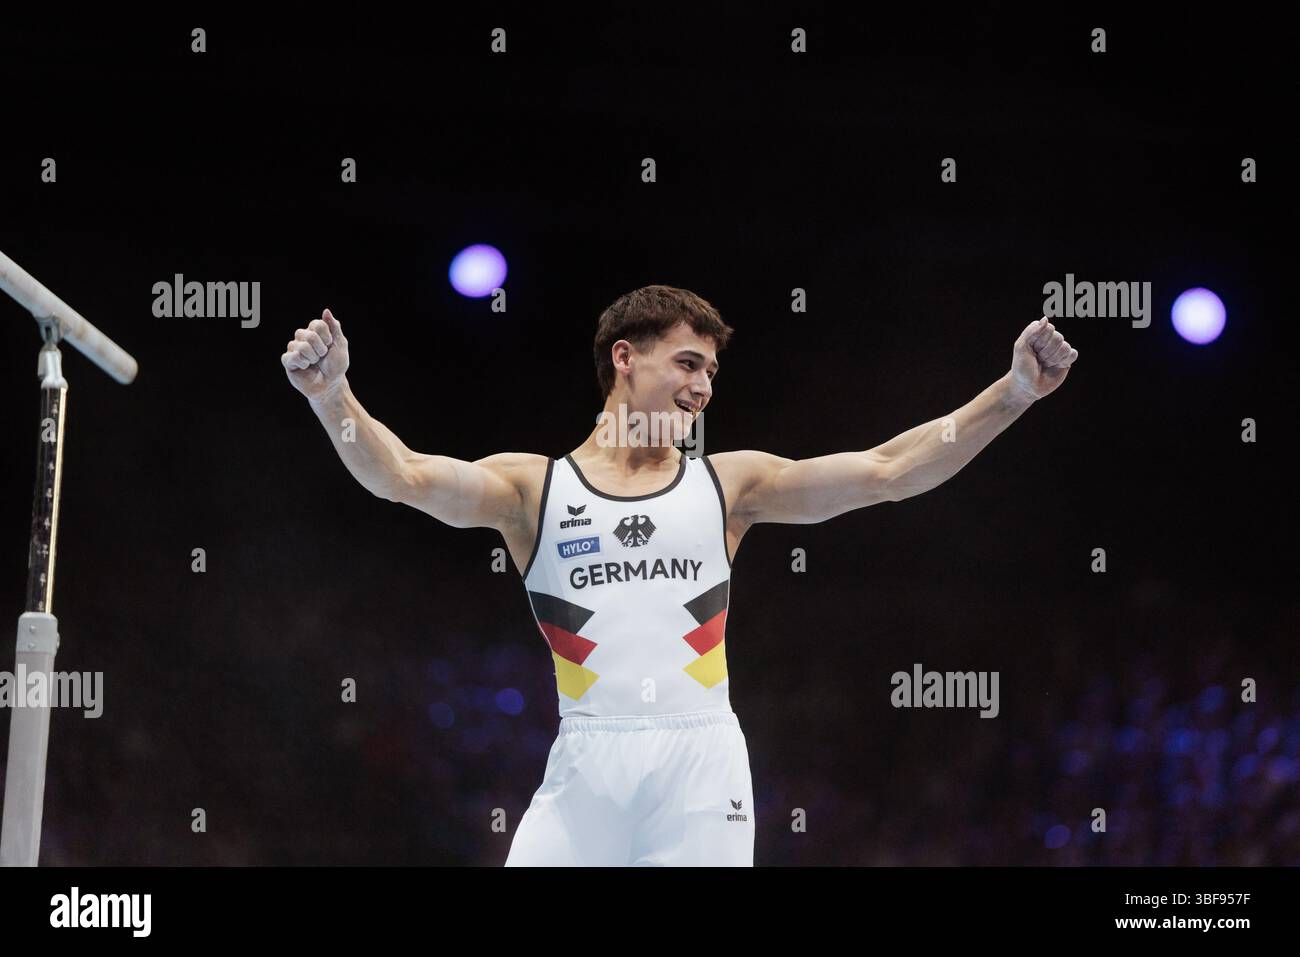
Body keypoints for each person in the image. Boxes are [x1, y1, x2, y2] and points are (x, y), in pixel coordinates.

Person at [281, 284, 1078, 866]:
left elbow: (887, 470)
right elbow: (405, 477)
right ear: (624, 359)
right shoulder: (534, 489)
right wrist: (331, 396)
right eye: (687, 362)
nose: (702, 386)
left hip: (701, 767)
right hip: (586, 763)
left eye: (712, 373)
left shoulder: (729, 486)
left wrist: (1011, 395)